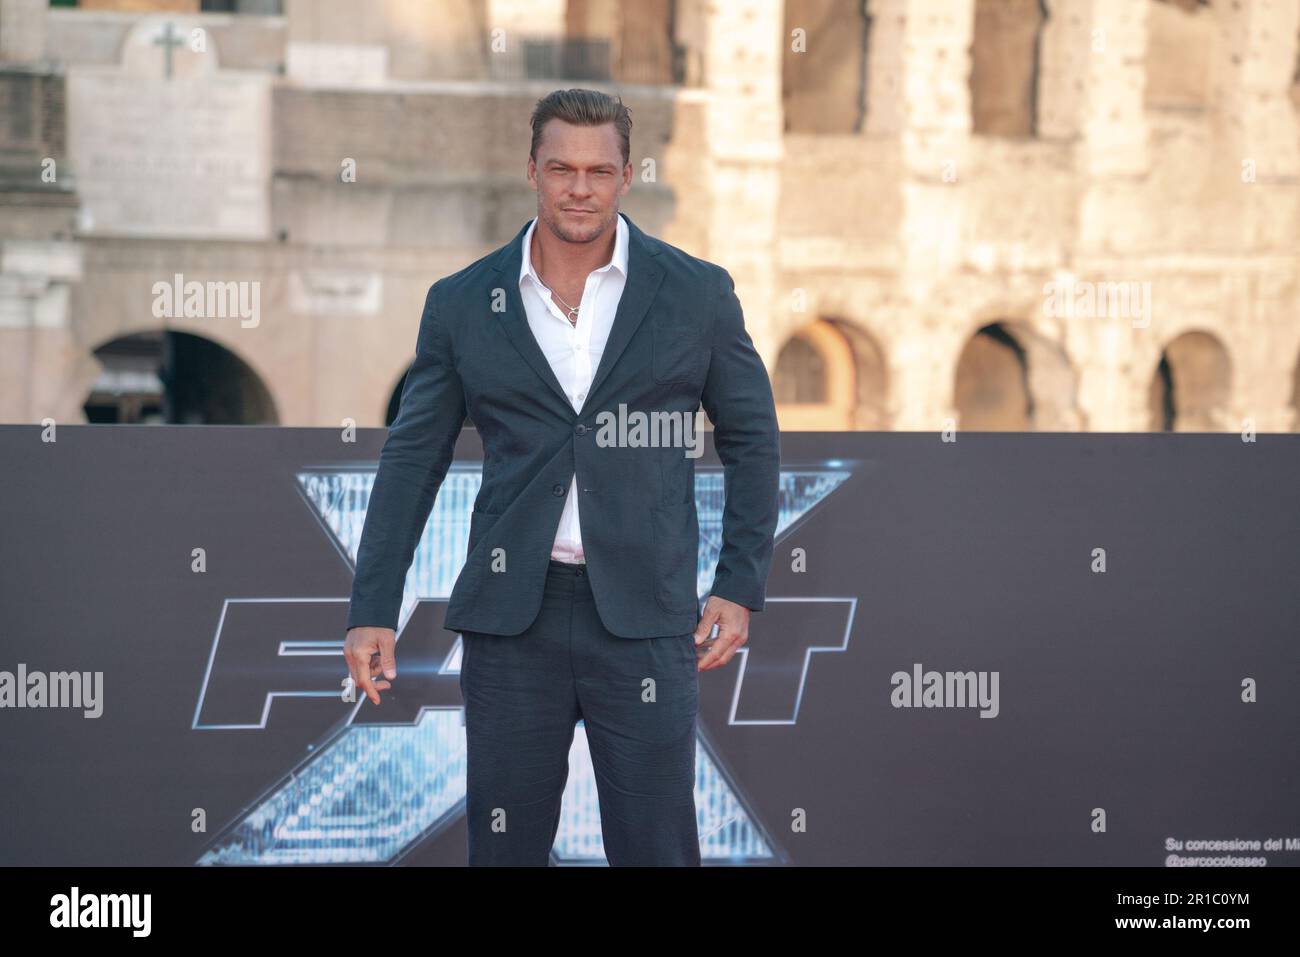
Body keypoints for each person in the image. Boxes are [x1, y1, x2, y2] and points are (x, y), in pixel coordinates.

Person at [343, 88, 780, 866]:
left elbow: (753, 440)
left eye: (599, 170)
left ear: (625, 176)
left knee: (657, 850)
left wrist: (739, 581)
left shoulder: (697, 293)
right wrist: (374, 603)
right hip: (515, 622)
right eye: (562, 169)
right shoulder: (460, 304)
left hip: (646, 622)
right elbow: (414, 458)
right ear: (533, 173)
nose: (581, 188)